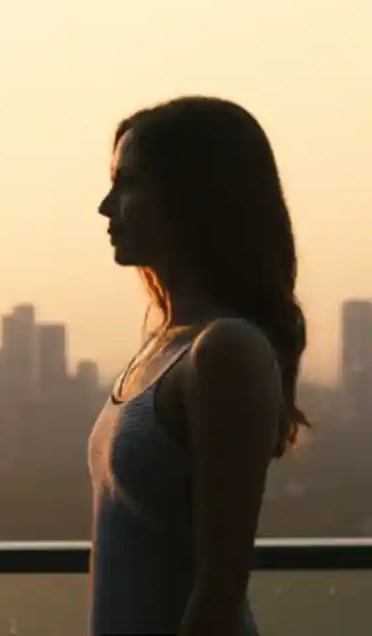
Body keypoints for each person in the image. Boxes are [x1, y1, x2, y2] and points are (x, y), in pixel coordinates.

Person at [88, 96, 309, 635]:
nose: (106, 205)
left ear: (193, 197)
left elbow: (218, 588)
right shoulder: (160, 347)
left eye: (130, 182)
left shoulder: (224, 351)